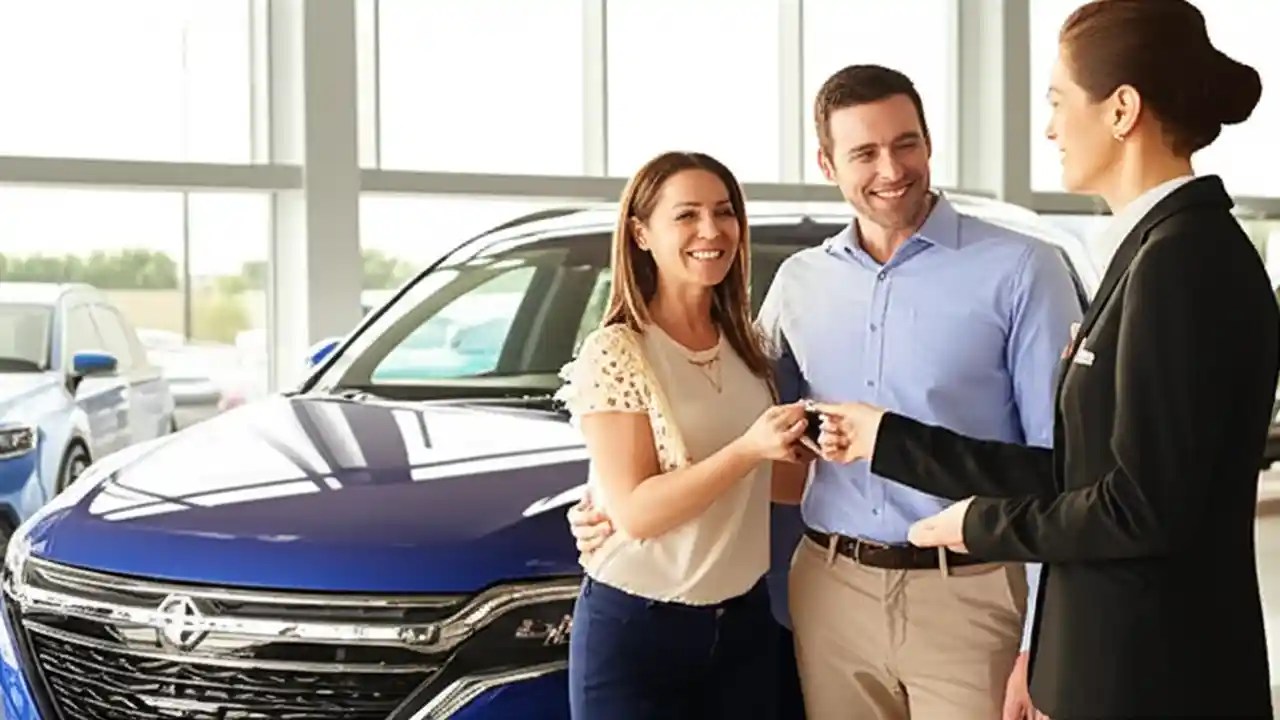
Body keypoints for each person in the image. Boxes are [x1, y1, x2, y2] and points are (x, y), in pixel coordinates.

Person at [570, 65, 1084, 720]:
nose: (891, 168)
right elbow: (735, 424)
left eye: (905, 144)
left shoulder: (1022, 269)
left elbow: (1060, 466)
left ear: (929, 144)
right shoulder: (798, 283)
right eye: (864, 152)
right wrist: (604, 500)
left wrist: (1044, 641)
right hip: (829, 594)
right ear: (827, 163)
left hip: (972, 594)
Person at [814, 2, 1276, 718]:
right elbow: (1078, 472)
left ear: (1121, 109)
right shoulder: (1153, 251)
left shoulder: (1183, 263)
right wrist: (894, 444)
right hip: (1122, 662)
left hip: (1153, 675)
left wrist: (979, 528)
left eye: (1058, 101)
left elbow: (1141, 509)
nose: (1050, 126)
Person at [557, 150, 812, 719]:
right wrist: (749, 448)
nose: (711, 231)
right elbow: (639, 516)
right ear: (641, 233)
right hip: (638, 633)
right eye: (687, 215)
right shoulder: (618, 351)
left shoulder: (750, 348)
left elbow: (782, 486)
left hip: (743, 627)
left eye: (724, 212)